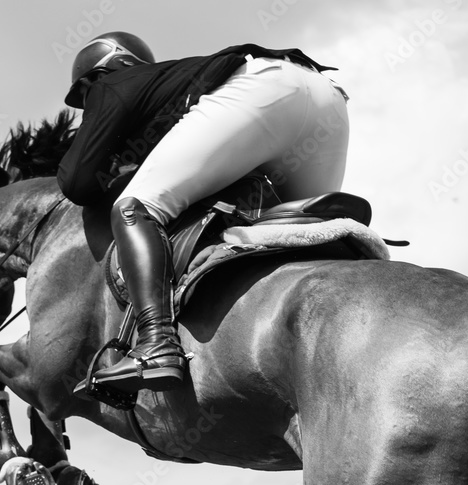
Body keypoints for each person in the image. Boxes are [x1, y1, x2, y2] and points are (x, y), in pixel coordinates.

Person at [57, 32, 350, 394]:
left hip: (262, 91)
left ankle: (156, 345)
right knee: (314, 228)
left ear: (99, 74)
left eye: (84, 98)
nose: (88, 108)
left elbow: (77, 182)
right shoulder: (167, 88)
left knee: (135, 207)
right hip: (327, 96)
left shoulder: (111, 85)